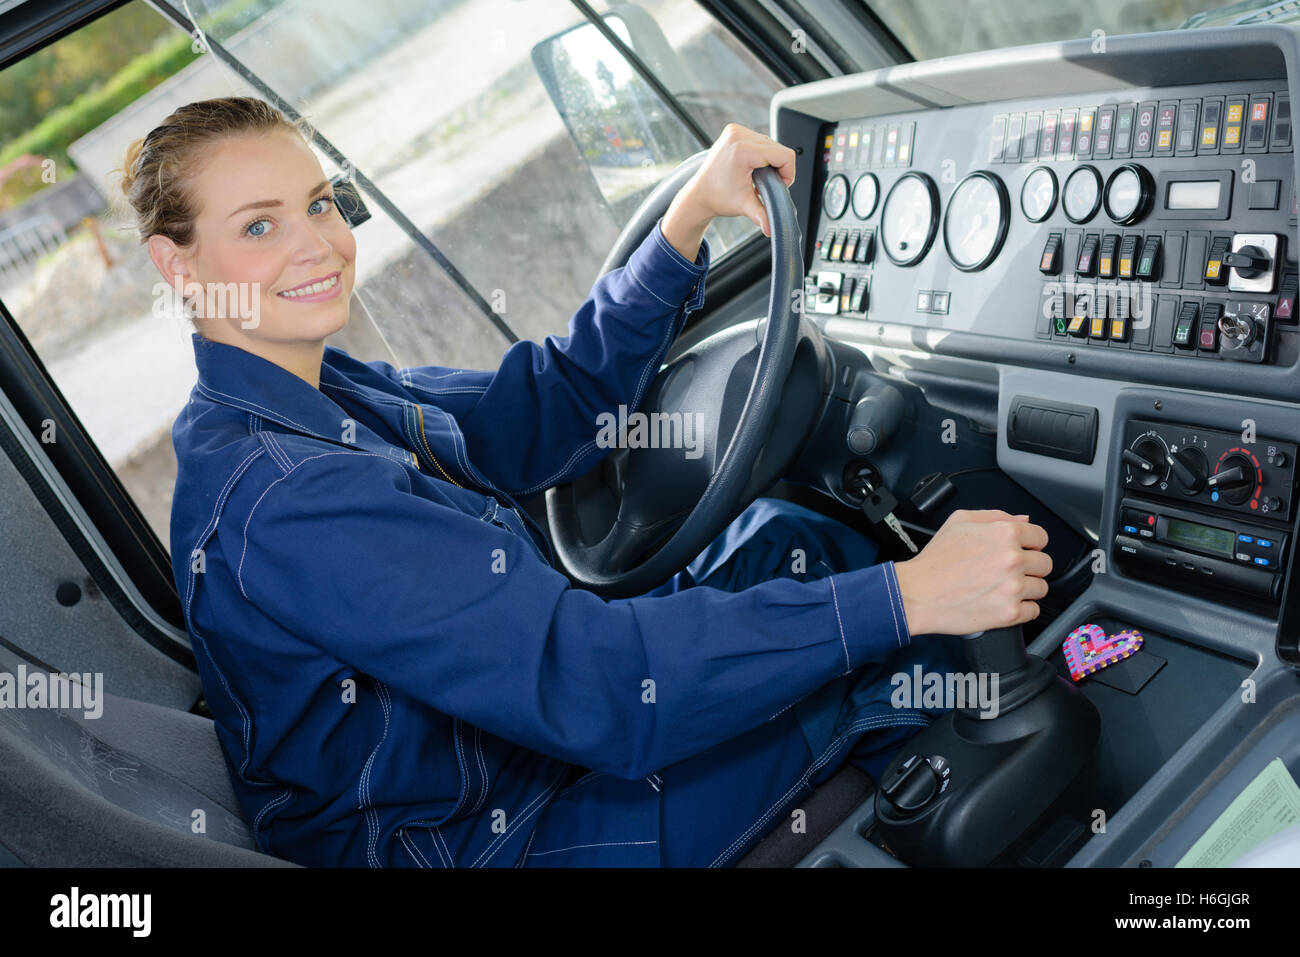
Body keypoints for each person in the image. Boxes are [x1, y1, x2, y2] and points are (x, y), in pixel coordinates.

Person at [119, 96, 1052, 868]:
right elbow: (596, 684)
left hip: (515, 755)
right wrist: (910, 594)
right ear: (179, 265)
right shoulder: (287, 498)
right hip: (486, 840)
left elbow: (538, 420)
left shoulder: (312, 392)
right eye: (258, 226)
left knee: (790, 542)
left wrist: (685, 221)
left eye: (321, 203)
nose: (318, 245)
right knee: (912, 660)